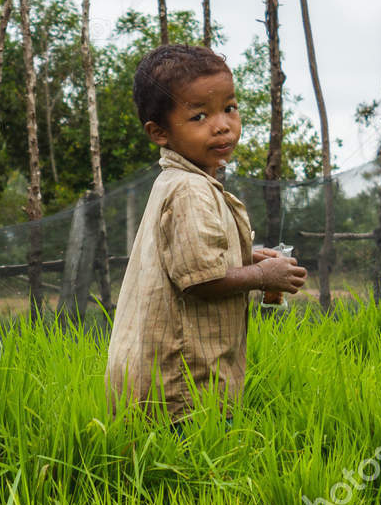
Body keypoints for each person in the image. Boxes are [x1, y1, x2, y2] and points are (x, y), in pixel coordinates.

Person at [106, 44, 306, 420]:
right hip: (183, 388)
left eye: (229, 108)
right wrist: (263, 276)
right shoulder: (189, 191)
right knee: (198, 472)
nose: (222, 124)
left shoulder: (182, 182)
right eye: (199, 116)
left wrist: (248, 259)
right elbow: (201, 280)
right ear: (159, 132)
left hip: (161, 379)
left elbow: (190, 259)